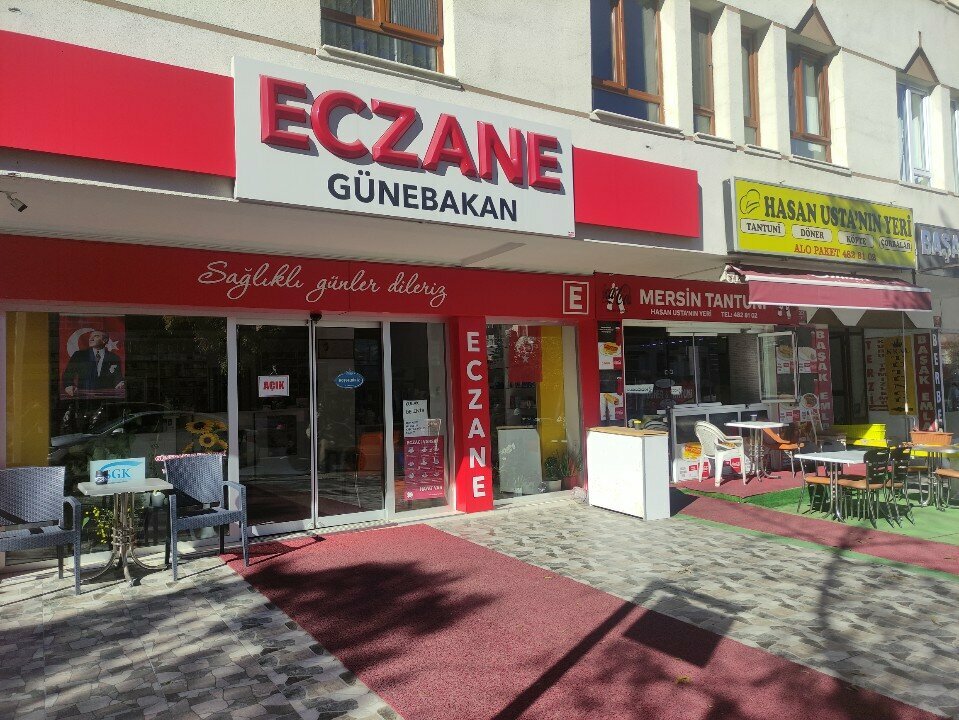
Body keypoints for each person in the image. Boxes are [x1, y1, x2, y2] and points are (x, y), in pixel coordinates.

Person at [62, 329, 125, 398]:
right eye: (90, 337)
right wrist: (69, 385)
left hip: (106, 397)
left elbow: (117, 376)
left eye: (96, 336)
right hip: (84, 396)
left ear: (105, 340)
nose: (91, 339)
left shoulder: (114, 357)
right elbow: (68, 374)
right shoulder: (79, 355)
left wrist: (120, 383)